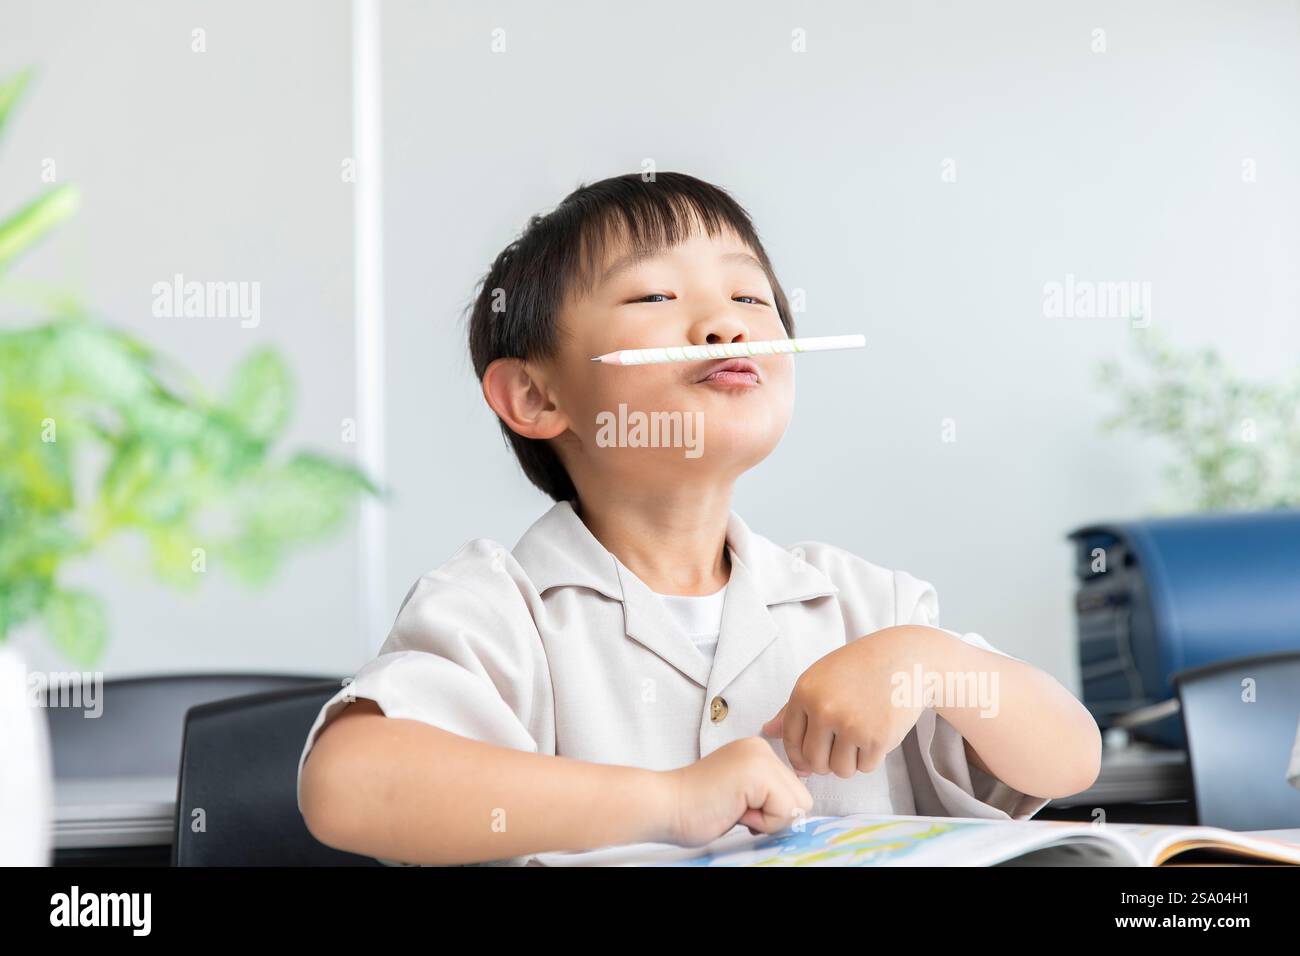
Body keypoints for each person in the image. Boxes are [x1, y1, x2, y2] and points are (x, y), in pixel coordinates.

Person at [297, 171, 1101, 866]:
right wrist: (669, 803)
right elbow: (347, 785)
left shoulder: (866, 610)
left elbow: (1070, 758)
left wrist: (923, 661)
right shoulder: (499, 610)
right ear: (537, 397)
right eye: (654, 295)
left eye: (750, 297)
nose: (727, 324)